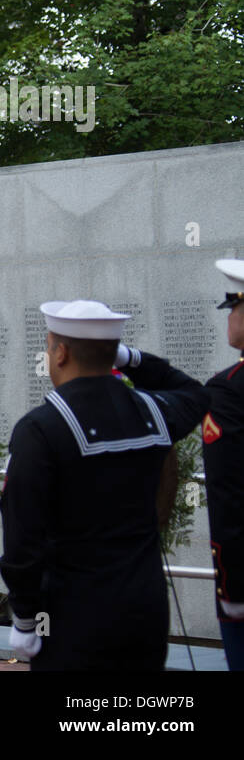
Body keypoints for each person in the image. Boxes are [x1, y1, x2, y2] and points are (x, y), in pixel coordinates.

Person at [0, 300, 208, 670]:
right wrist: (128, 357)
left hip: (73, 616)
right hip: (145, 611)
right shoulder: (154, 413)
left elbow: (22, 538)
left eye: (49, 347)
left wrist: (26, 620)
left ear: (61, 352)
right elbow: (193, 392)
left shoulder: (41, 429)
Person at [203, 259, 244, 668]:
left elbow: (229, 493)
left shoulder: (230, 391)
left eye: (234, 307)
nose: (230, 317)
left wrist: (232, 590)